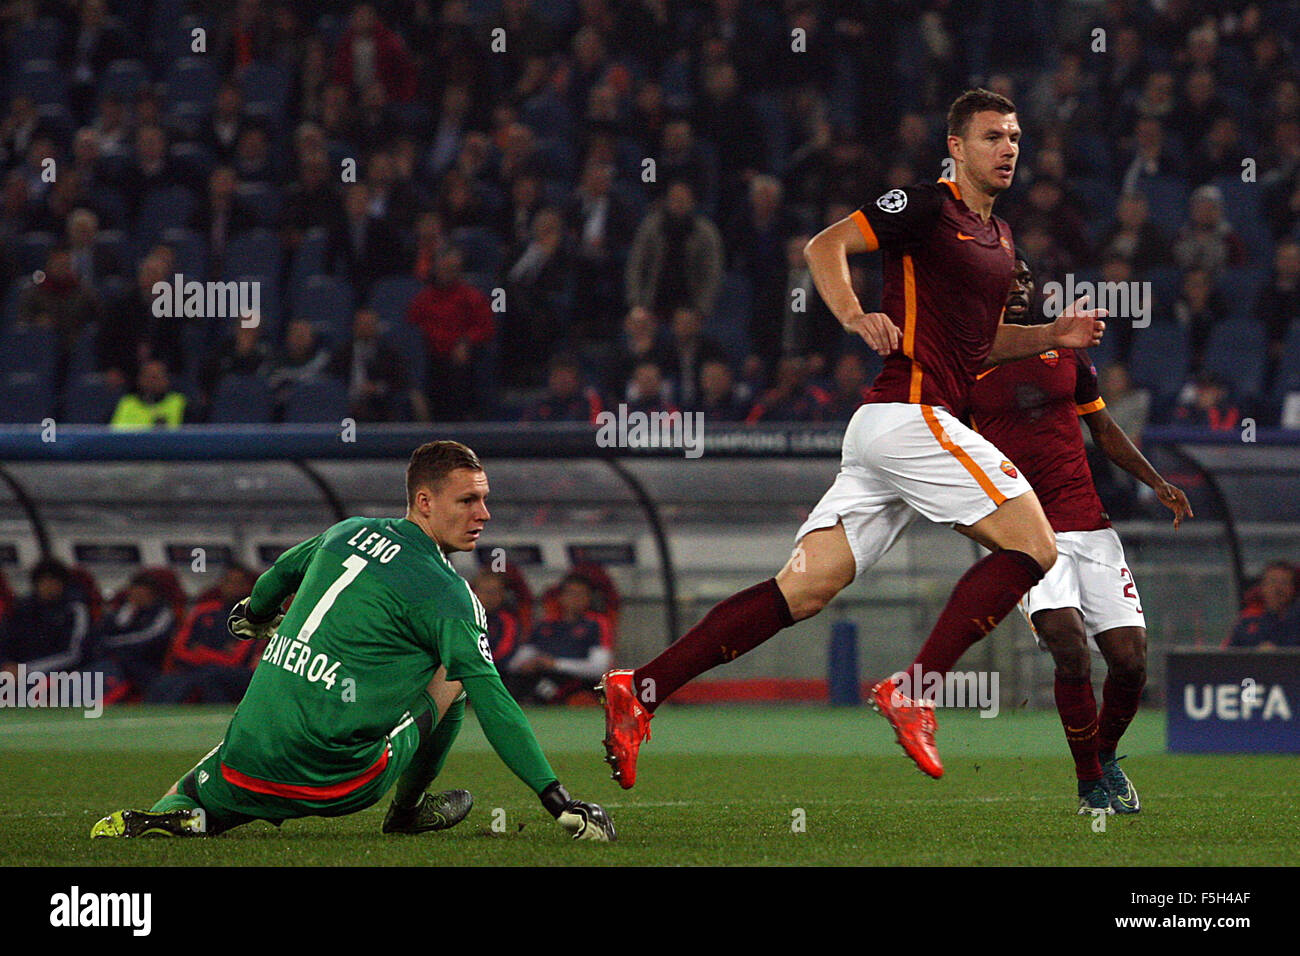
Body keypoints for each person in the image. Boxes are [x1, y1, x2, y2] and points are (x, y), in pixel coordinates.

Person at [599, 89, 1107, 788]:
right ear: (956, 147)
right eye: (992, 136)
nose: (1008, 148)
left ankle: (642, 690)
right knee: (1036, 544)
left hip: (887, 433)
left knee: (802, 592)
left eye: (1015, 136)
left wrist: (1051, 335)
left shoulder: (1001, 237)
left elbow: (977, 344)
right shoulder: (929, 207)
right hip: (911, 416)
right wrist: (853, 313)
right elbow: (824, 245)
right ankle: (916, 690)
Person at [93, 441, 614, 842]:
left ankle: (181, 816)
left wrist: (254, 617)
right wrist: (556, 798)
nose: (484, 514)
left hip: (249, 753)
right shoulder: (450, 596)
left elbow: (277, 575)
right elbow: (496, 700)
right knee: (456, 672)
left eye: (484, 500)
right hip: (338, 776)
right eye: (469, 500)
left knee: (189, 793)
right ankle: (407, 812)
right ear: (425, 501)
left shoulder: (345, 531)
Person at [968, 254, 1192, 814]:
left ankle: (1106, 755)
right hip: (1025, 528)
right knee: (1070, 648)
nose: (1019, 284)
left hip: (1089, 524)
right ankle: (1089, 780)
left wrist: (1157, 481)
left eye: (1025, 276)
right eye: (1007, 276)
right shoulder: (963, 356)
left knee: (1131, 659)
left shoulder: (1064, 348)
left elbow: (1104, 427)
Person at [1229, 562, 1300, 649]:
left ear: (1293, 588)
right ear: (1262, 587)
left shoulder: (1296, 621)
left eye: (1284, 582)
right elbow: (1228, 655)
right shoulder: (1247, 621)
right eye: (1272, 581)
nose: (1277, 588)